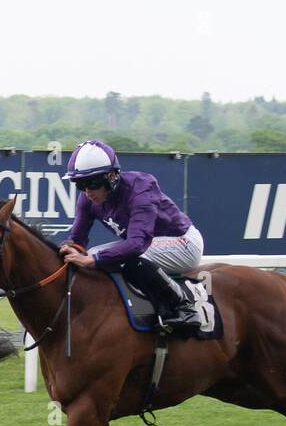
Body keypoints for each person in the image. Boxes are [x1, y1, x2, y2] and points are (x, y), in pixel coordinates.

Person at [58, 140, 205, 329]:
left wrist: (93, 259)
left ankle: (184, 308)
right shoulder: (87, 200)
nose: (87, 192)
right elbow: (77, 241)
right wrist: (68, 249)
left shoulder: (142, 188)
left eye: (92, 184)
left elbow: (137, 244)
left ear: (111, 176)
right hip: (151, 245)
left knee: (116, 258)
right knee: (91, 254)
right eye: (80, 185)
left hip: (183, 244)